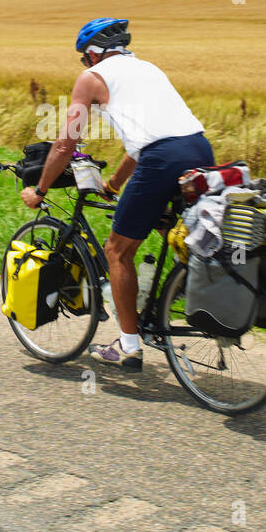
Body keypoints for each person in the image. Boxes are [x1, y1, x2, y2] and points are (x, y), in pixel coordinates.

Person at [20, 18, 213, 371]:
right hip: (199, 149)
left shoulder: (92, 78)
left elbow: (65, 144)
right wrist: (113, 186)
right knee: (172, 230)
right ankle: (178, 293)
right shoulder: (148, 69)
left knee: (117, 250)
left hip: (160, 159)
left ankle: (127, 346)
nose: (84, 64)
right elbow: (146, 141)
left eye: (83, 58)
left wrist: (40, 188)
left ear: (93, 54)